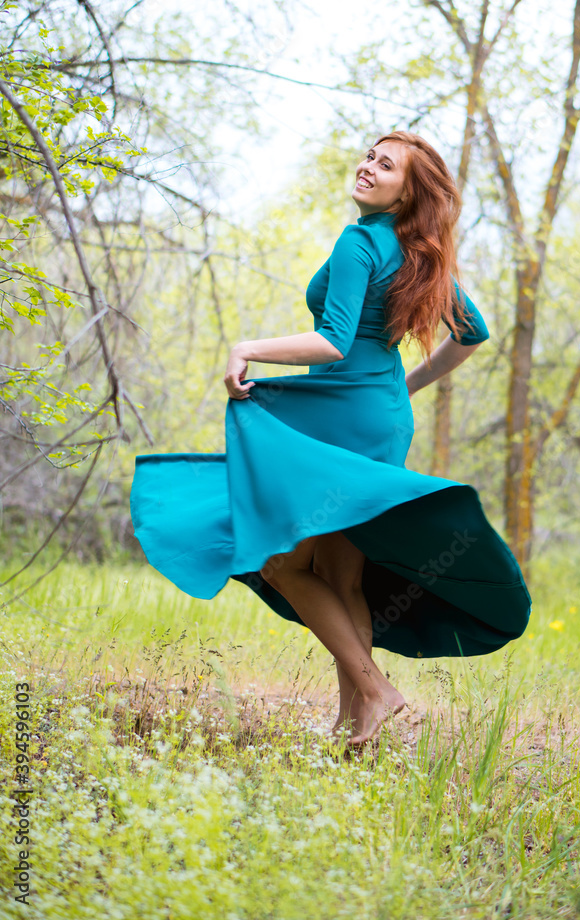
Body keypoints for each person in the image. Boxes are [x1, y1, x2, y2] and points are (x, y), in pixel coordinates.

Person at [130, 131, 531, 750]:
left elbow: (333, 342)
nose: (369, 167)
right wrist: (405, 387)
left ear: (409, 191)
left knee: (282, 563)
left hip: (340, 419)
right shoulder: (418, 251)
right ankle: (356, 724)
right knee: (342, 574)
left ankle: (374, 692)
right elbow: (472, 333)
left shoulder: (361, 240)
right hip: (378, 417)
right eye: (370, 156)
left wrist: (248, 349)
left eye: (386, 165)